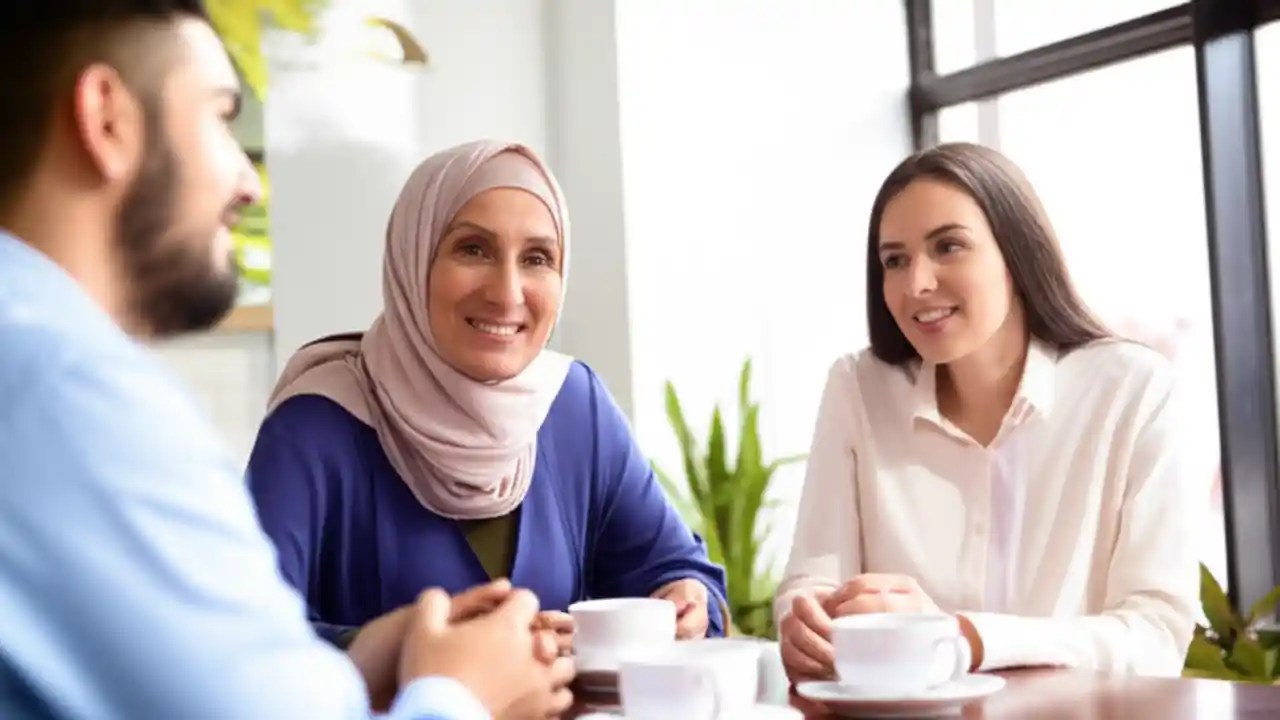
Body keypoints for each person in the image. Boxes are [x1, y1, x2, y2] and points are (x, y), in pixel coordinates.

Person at [0, 2, 572, 718]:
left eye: (538, 258)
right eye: (220, 116)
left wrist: (359, 668)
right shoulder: (68, 396)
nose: (248, 181)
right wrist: (463, 697)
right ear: (107, 118)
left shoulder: (34, 370)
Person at [244, 139, 730, 656]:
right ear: (414, 259)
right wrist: (408, 648)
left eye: (537, 258)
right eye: (473, 249)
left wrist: (683, 603)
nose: (507, 293)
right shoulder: (315, 425)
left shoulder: (573, 405)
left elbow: (680, 575)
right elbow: (243, 638)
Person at [774, 142, 1200, 681]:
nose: (917, 283)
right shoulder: (857, 388)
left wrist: (964, 638)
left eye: (948, 246)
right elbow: (813, 582)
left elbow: (1157, 636)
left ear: (1016, 255)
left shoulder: (1133, 390)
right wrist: (806, 620)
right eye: (895, 260)